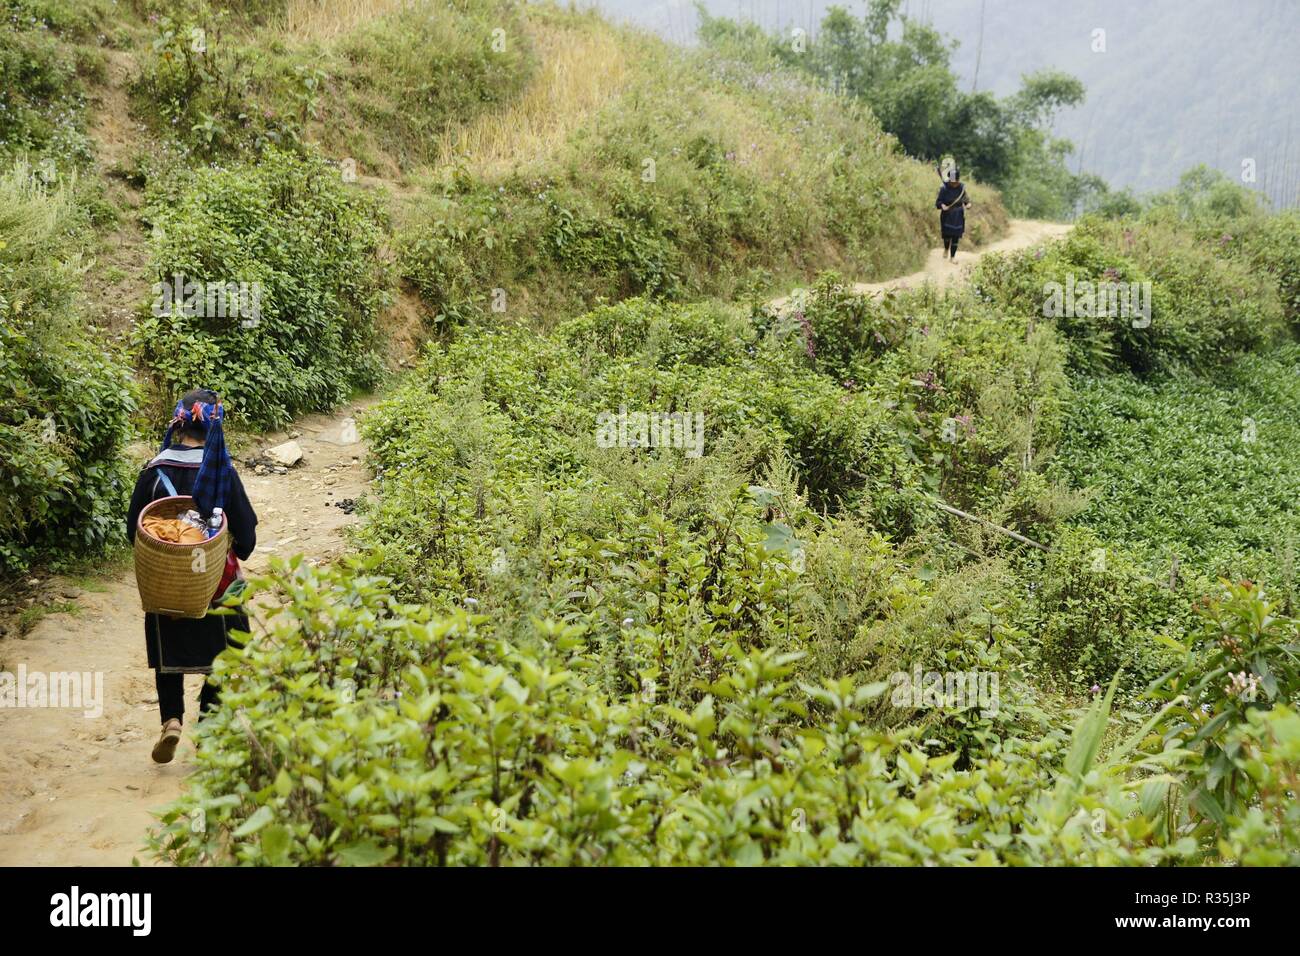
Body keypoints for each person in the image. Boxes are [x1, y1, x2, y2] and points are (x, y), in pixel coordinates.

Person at [126, 388, 258, 763]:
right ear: (215, 425)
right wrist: (239, 549)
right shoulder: (221, 471)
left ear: (178, 423)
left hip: (166, 584)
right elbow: (245, 530)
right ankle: (210, 725)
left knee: (167, 647)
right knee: (228, 652)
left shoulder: (154, 471)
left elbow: (131, 530)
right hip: (213, 583)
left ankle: (171, 720)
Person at [936, 166, 973, 263]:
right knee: (947, 235)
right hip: (947, 215)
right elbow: (938, 202)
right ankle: (946, 249)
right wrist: (942, 205)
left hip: (958, 215)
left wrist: (968, 204)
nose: (954, 183)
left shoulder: (961, 188)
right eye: (952, 181)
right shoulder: (944, 188)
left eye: (955, 181)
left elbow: (966, 199)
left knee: (956, 236)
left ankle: (952, 257)